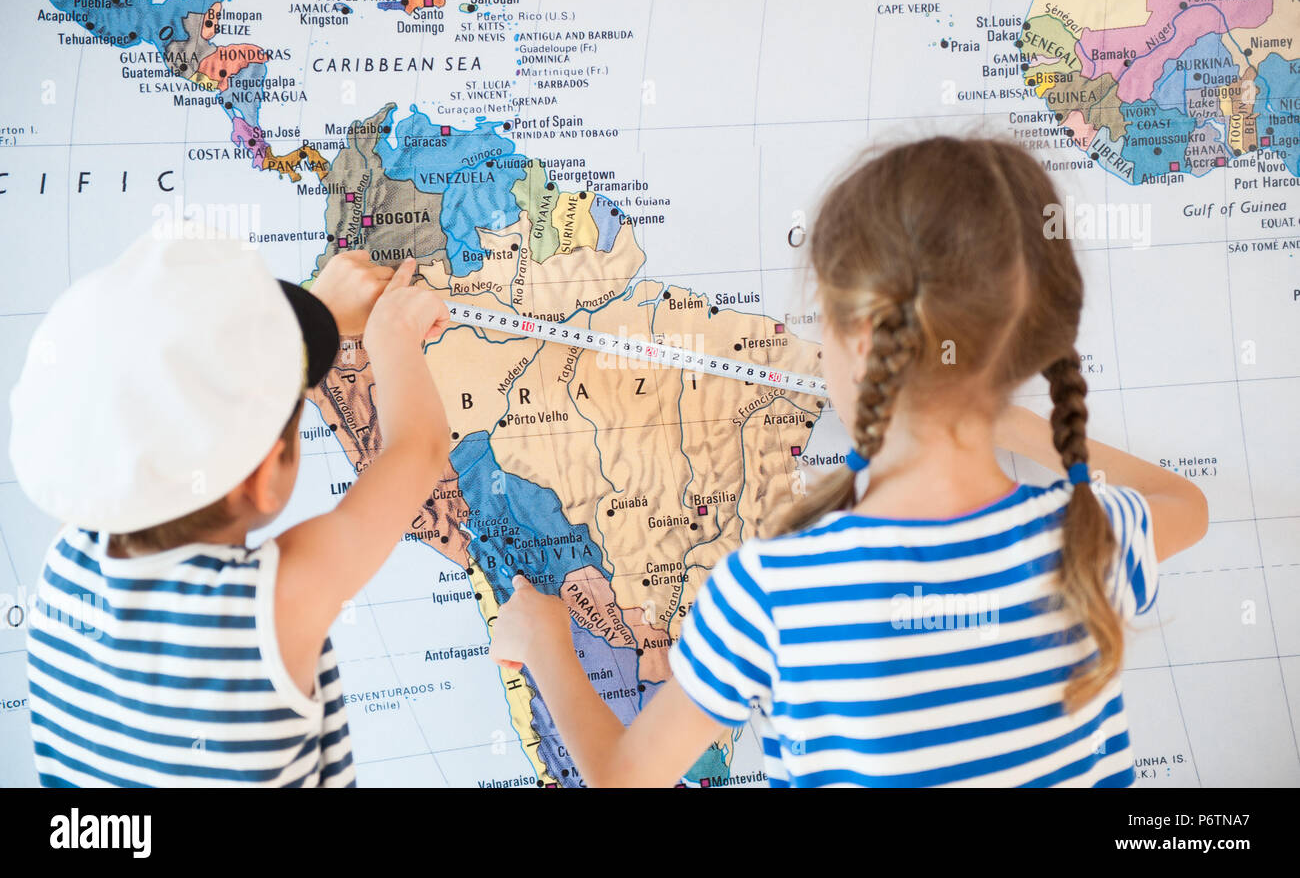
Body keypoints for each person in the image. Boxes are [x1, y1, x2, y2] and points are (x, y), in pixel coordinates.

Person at [488, 137, 1210, 788]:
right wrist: (1007, 421)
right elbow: (1187, 504)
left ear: (862, 342)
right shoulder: (1086, 540)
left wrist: (547, 641)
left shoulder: (772, 592)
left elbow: (622, 778)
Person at [10, 230, 450, 787]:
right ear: (264, 478)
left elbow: (145, 403)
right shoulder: (271, 607)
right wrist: (394, 335)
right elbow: (419, 450)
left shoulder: (68, 556)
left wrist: (305, 322)